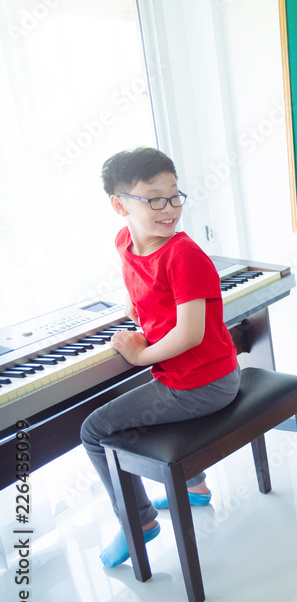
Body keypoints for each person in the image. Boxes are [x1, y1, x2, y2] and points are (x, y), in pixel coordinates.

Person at [82, 147, 240, 567]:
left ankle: (139, 521)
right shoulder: (125, 242)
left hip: (206, 384)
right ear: (119, 206)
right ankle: (196, 486)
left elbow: (191, 333)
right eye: (154, 199)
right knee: (137, 404)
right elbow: (140, 281)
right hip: (188, 376)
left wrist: (141, 356)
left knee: (94, 428)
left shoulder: (184, 255)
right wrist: (137, 310)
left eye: (174, 196)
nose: (169, 208)